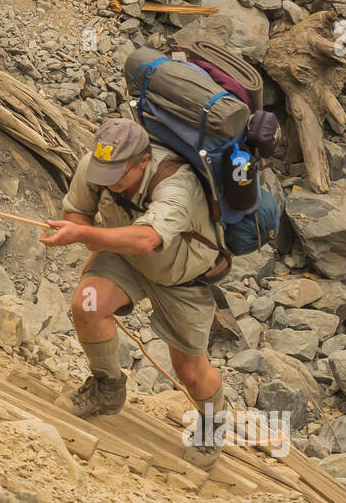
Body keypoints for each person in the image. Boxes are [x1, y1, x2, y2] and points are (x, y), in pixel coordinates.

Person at [39, 118, 225, 460]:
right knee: (88, 304)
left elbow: (147, 238)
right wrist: (79, 230)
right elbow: (77, 212)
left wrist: (83, 235)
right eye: (102, 173)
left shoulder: (177, 184)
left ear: (143, 161)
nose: (107, 182)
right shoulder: (97, 167)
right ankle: (107, 388)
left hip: (181, 278)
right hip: (124, 259)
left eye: (118, 175)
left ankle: (213, 423)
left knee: (190, 373)